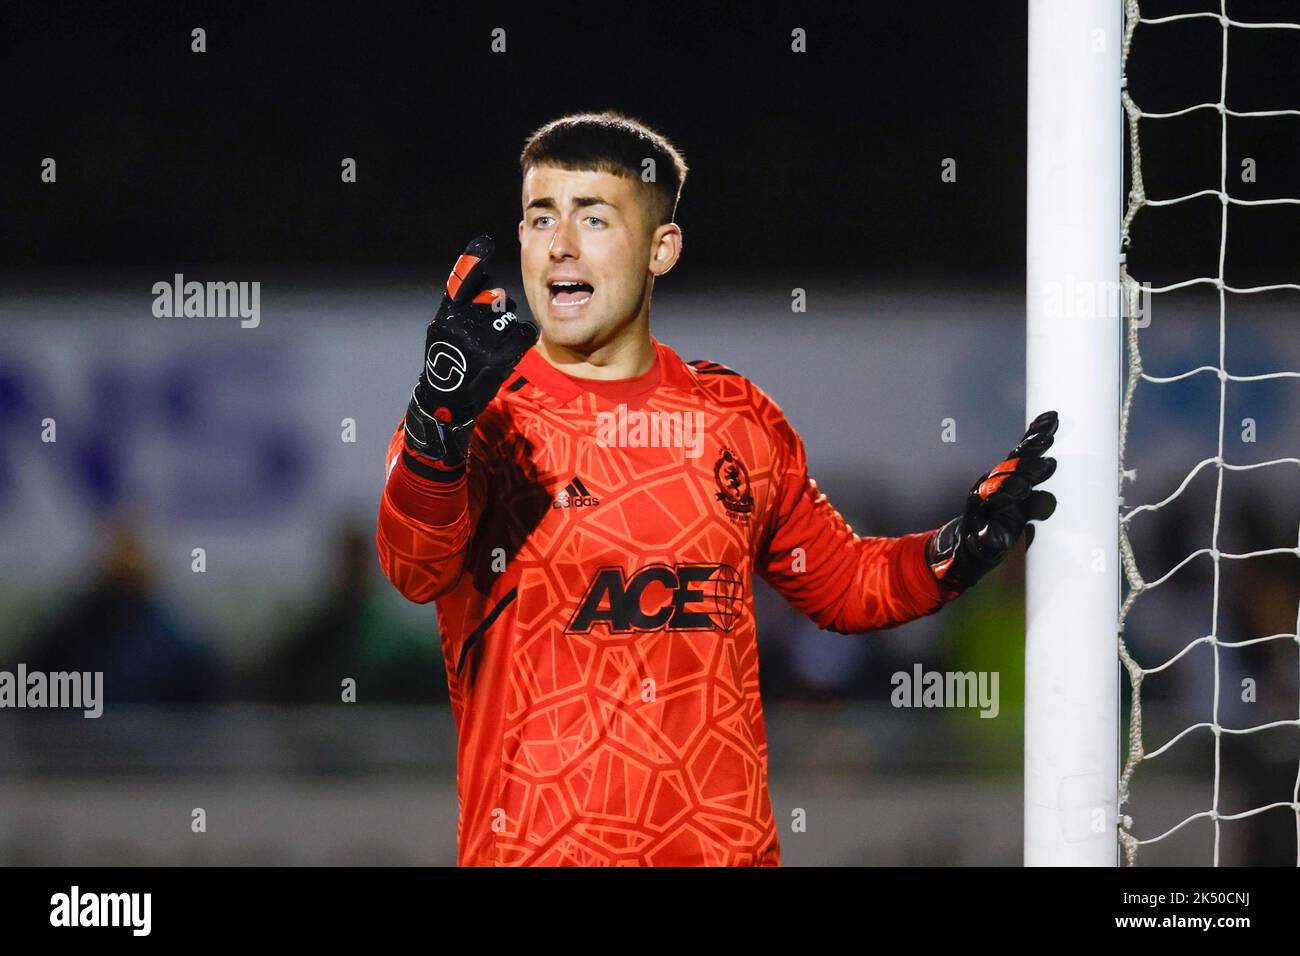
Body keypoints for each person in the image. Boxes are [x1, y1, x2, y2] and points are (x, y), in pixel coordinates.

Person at [375, 111, 1057, 866]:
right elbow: (415, 567)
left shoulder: (735, 416)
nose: (560, 243)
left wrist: (953, 552)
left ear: (660, 247)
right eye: (542, 218)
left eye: (593, 217)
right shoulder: (481, 418)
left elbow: (842, 584)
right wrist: (437, 421)